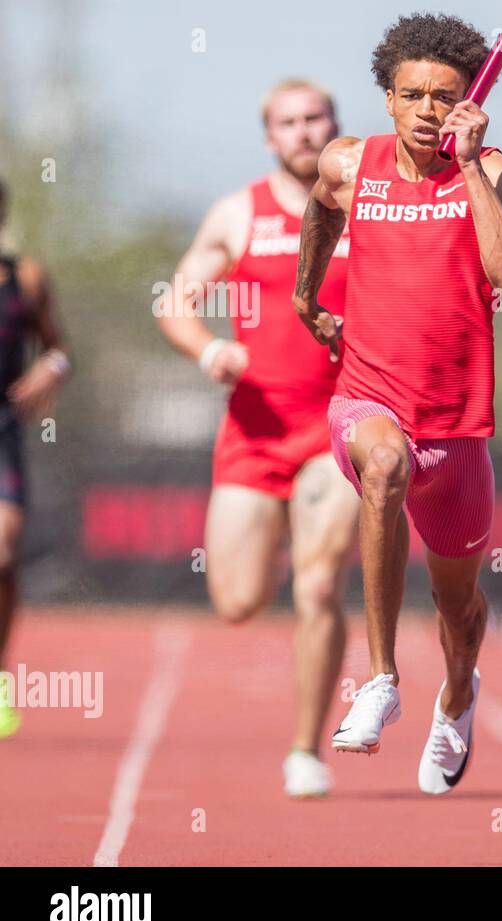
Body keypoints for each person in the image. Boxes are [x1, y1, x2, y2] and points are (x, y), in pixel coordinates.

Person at [293, 13, 502, 794]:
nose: (429, 109)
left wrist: (465, 168)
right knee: (384, 464)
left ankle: (458, 691)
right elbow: (322, 209)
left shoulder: (498, 174)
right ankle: (380, 679)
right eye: (414, 95)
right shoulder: (348, 162)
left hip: (458, 429)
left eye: (446, 96)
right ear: (388, 100)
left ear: (469, 102)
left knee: (459, 609)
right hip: (368, 399)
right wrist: (306, 296)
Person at [157, 79, 357, 797]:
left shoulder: (369, 205)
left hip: (340, 423)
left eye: (316, 120)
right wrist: (209, 351)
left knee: (320, 583)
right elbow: (175, 302)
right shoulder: (239, 212)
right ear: (270, 137)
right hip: (254, 430)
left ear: (336, 126)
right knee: (237, 603)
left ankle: (306, 750)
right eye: (289, 123)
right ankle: (277, 536)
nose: (304, 133)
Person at [0, 177, 72, 739]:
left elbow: (58, 347)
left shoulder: (24, 278)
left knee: (3, 550)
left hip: (3, 432)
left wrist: (51, 367)